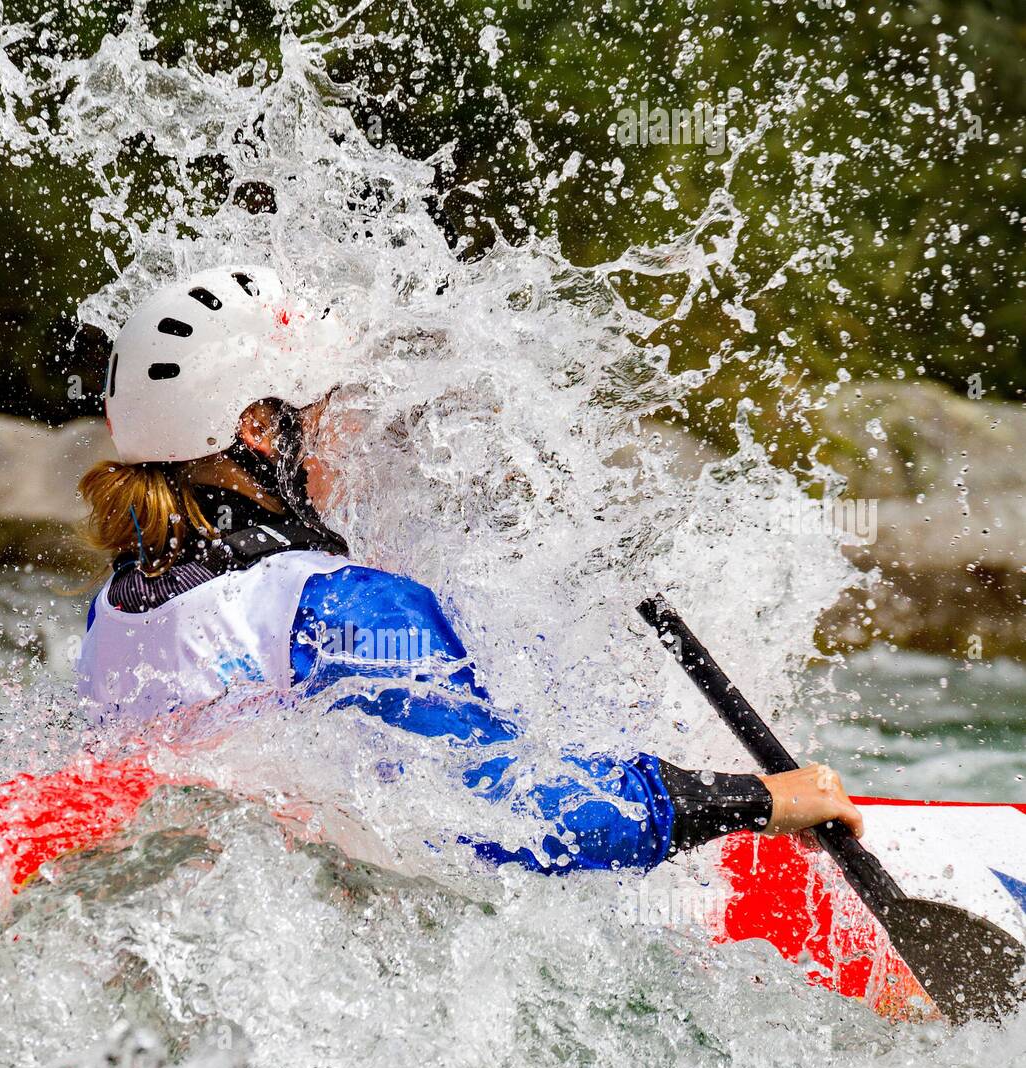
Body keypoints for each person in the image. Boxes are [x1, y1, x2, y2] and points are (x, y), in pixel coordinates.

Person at [76, 264, 862, 873]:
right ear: (256, 427)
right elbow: (514, 813)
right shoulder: (342, 607)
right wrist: (755, 801)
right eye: (328, 409)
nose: (353, 434)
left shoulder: (118, 602)